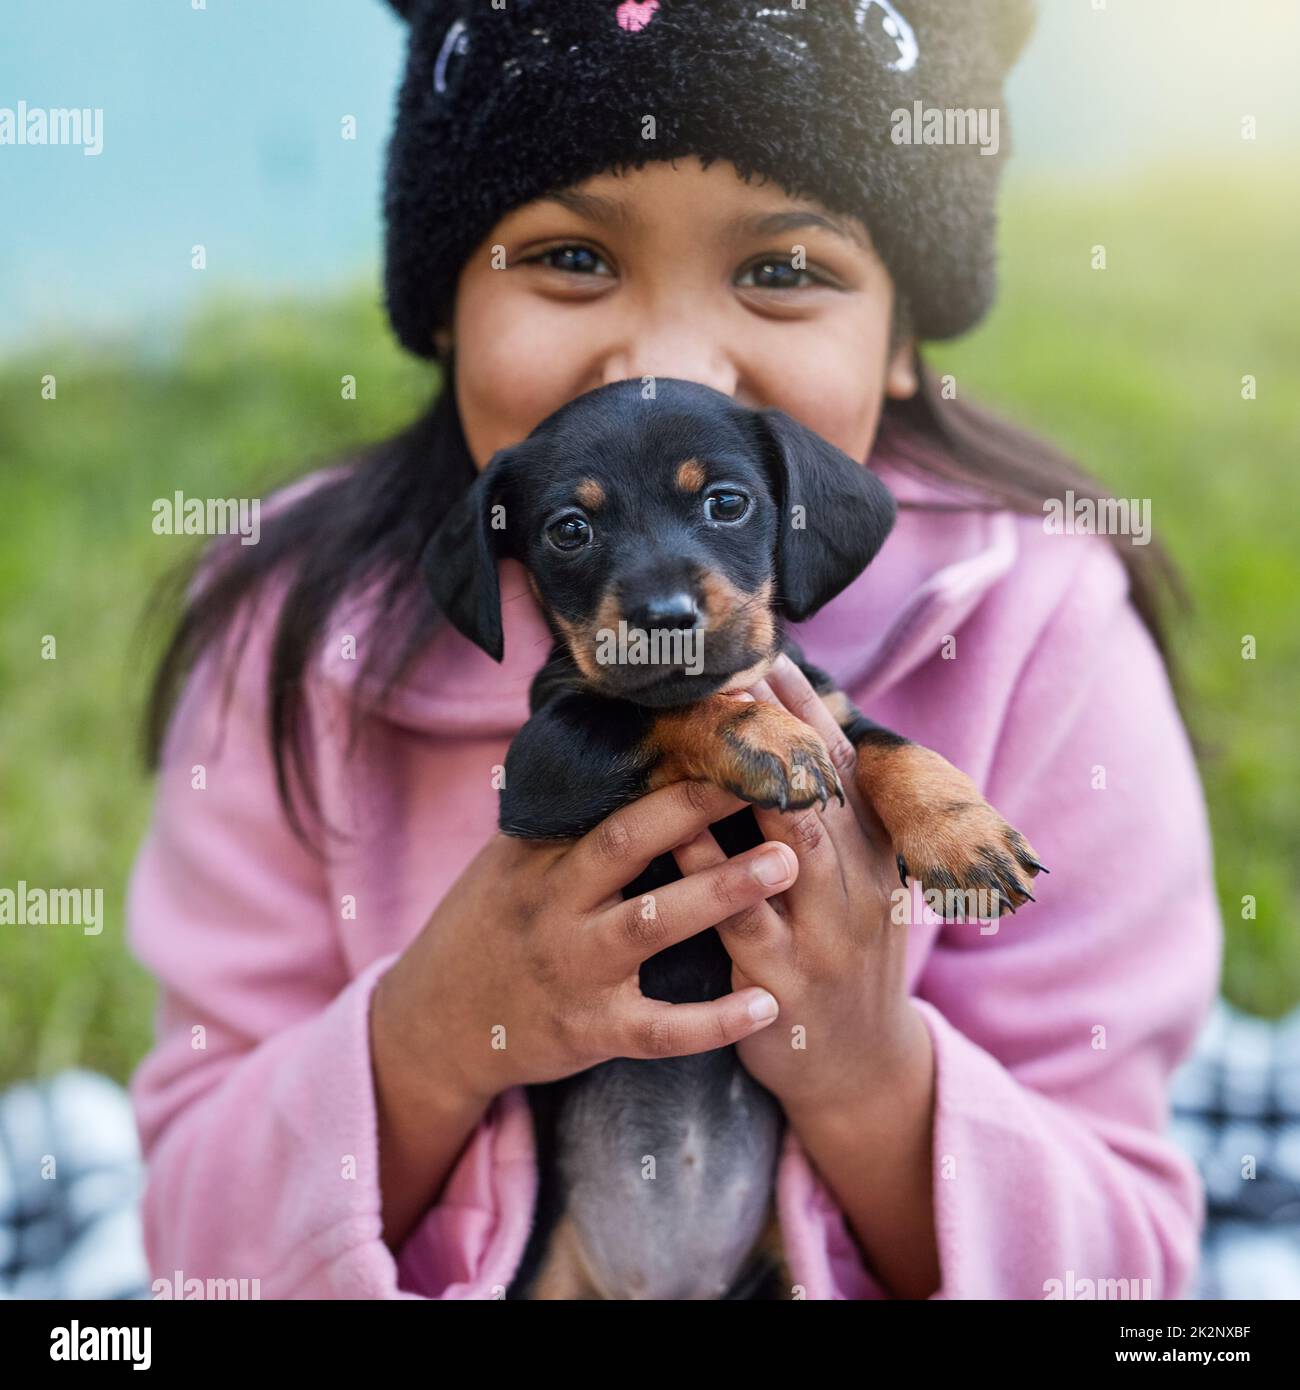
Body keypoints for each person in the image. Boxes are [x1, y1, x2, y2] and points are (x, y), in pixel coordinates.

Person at [126, 0, 1222, 1299]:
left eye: (784, 268)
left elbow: (1126, 1274)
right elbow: (195, 1247)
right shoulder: (295, 634)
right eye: (573, 256)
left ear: (907, 333)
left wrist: (867, 1071)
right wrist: (428, 1037)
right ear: (441, 308)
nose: (667, 362)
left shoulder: (1039, 631)